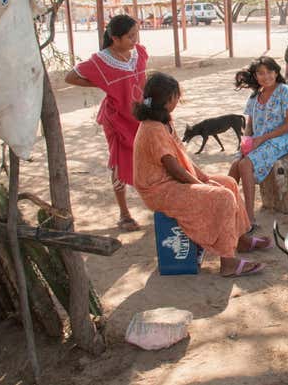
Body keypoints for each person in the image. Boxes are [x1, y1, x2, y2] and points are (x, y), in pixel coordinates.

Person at [132, 72, 269, 277]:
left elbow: (181, 157)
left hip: (172, 181)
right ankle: (228, 263)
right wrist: (200, 184)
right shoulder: (153, 129)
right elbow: (173, 167)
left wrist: (204, 178)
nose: (178, 99)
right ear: (168, 99)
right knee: (222, 197)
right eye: (176, 96)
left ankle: (240, 238)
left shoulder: (164, 121)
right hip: (159, 190)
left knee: (229, 182)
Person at [65, 14, 147, 232]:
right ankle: (124, 214)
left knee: (147, 157)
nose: (135, 40)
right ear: (115, 38)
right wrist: (104, 85)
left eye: (135, 35)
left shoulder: (138, 53)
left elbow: (143, 80)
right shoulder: (101, 60)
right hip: (117, 119)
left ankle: (158, 204)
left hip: (139, 115)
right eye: (130, 37)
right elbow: (70, 77)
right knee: (119, 162)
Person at [229, 57, 288, 228]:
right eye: (260, 73)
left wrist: (261, 139)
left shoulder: (285, 91)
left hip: (282, 139)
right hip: (259, 141)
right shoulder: (255, 97)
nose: (265, 76)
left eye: (269, 72)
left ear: (276, 72)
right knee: (236, 164)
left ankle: (249, 218)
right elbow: (250, 126)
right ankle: (226, 209)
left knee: (245, 165)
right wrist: (244, 144)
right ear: (255, 75)